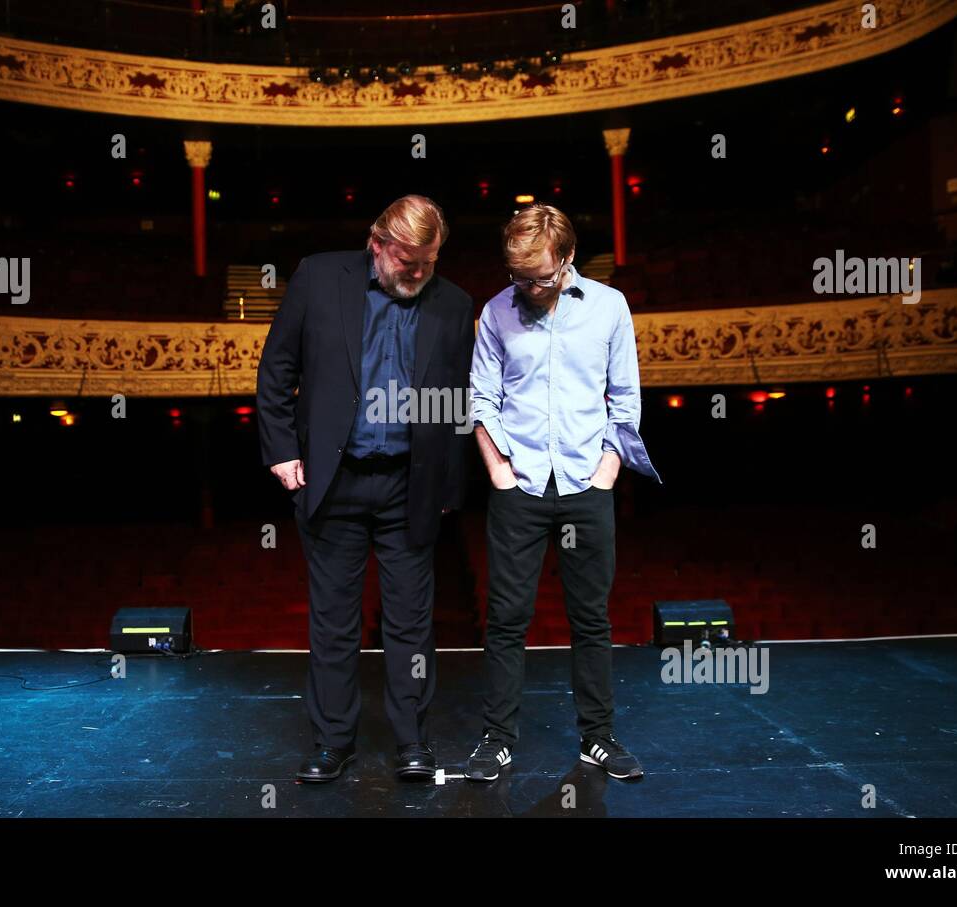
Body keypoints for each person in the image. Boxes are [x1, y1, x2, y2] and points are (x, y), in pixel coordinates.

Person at [256, 195, 475, 782]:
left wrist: (450, 480)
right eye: (409, 262)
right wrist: (281, 450)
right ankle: (333, 743)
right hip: (335, 481)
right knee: (333, 622)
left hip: (411, 487)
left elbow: (457, 399)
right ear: (378, 245)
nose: (420, 274)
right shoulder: (319, 276)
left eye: (430, 262)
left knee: (411, 625)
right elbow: (277, 367)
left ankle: (412, 745)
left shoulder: (454, 304)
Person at [466, 203, 662, 781]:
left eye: (540, 277)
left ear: (569, 258)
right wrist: (501, 474)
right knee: (505, 617)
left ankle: (597, 739)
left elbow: (625, 402)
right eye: (518, 277)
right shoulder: (496, 311)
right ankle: (496, 740)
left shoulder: (609, 307)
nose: (528, 288)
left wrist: (605, 475)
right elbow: (481, 401)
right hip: (519, 485)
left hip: (586, 484)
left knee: (591, 619)